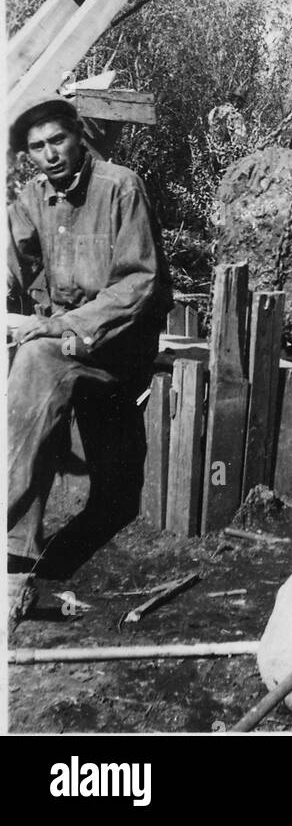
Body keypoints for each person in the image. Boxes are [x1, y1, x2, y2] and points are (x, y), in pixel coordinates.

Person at [7, 97, 172, 626]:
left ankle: (11, 555)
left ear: (79, 136)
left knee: (36, 360)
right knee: (30, 355)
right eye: (37, 147)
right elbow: (9, 258)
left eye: (58, 140)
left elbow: (139, 283)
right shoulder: (33, 197)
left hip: (118, 342)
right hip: (65, 342)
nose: (50, 154)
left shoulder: (120, 186)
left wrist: (60, 325)